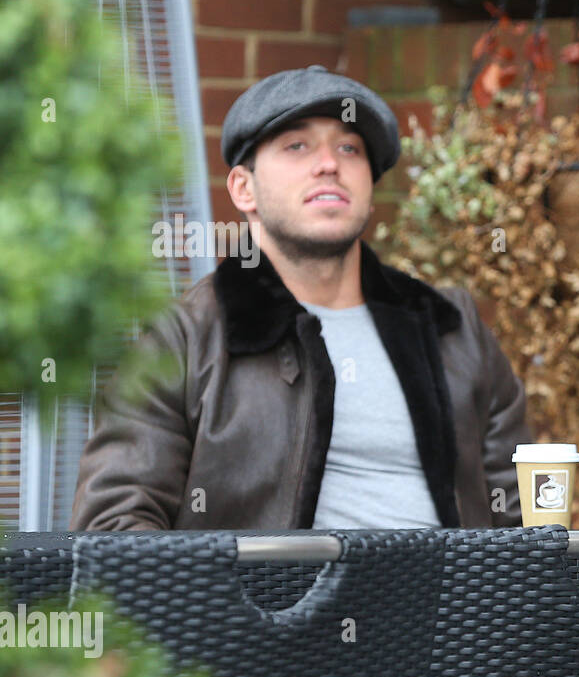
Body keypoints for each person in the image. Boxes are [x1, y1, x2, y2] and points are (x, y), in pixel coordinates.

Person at [70, 65, 528, 531]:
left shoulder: (452, 327)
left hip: (456, 603)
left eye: (349, 147)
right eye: (297, 145)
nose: (329, 163)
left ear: (370, 187)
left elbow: (521, 522)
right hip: (263, 605)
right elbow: (115, 527)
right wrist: (223, 602)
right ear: (243, 188)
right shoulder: (182, 340)